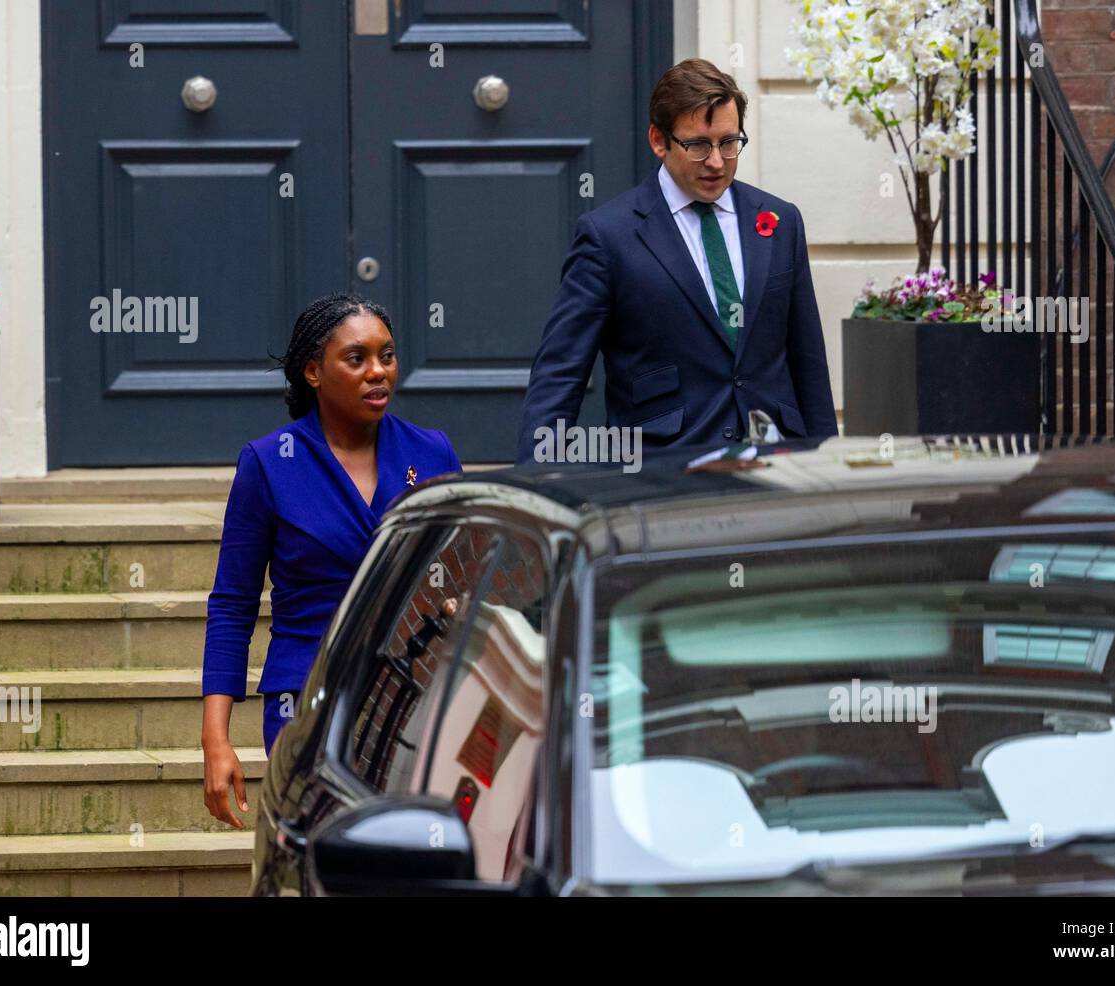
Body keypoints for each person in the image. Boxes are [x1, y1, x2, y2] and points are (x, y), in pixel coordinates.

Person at [201, 293, 461, 829]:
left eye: (387, 355)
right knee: (325, 858)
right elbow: (233, 604)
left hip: (417, 695)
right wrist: (215, 738)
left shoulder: (432, 453)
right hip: (307, 698)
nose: (378, 372)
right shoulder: (270, 464)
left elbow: (463, 573)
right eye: (357, 358)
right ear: (314, 372)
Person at [517, 58, 838, 463]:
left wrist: (827, 463)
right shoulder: (608, 236)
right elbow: (561, 373)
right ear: (658, 140)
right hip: (662, 472)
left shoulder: (779, 221)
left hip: (776, 466)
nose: (718, 162)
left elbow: (808, 360)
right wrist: (535, 484)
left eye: (729, 142)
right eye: (699, 145)